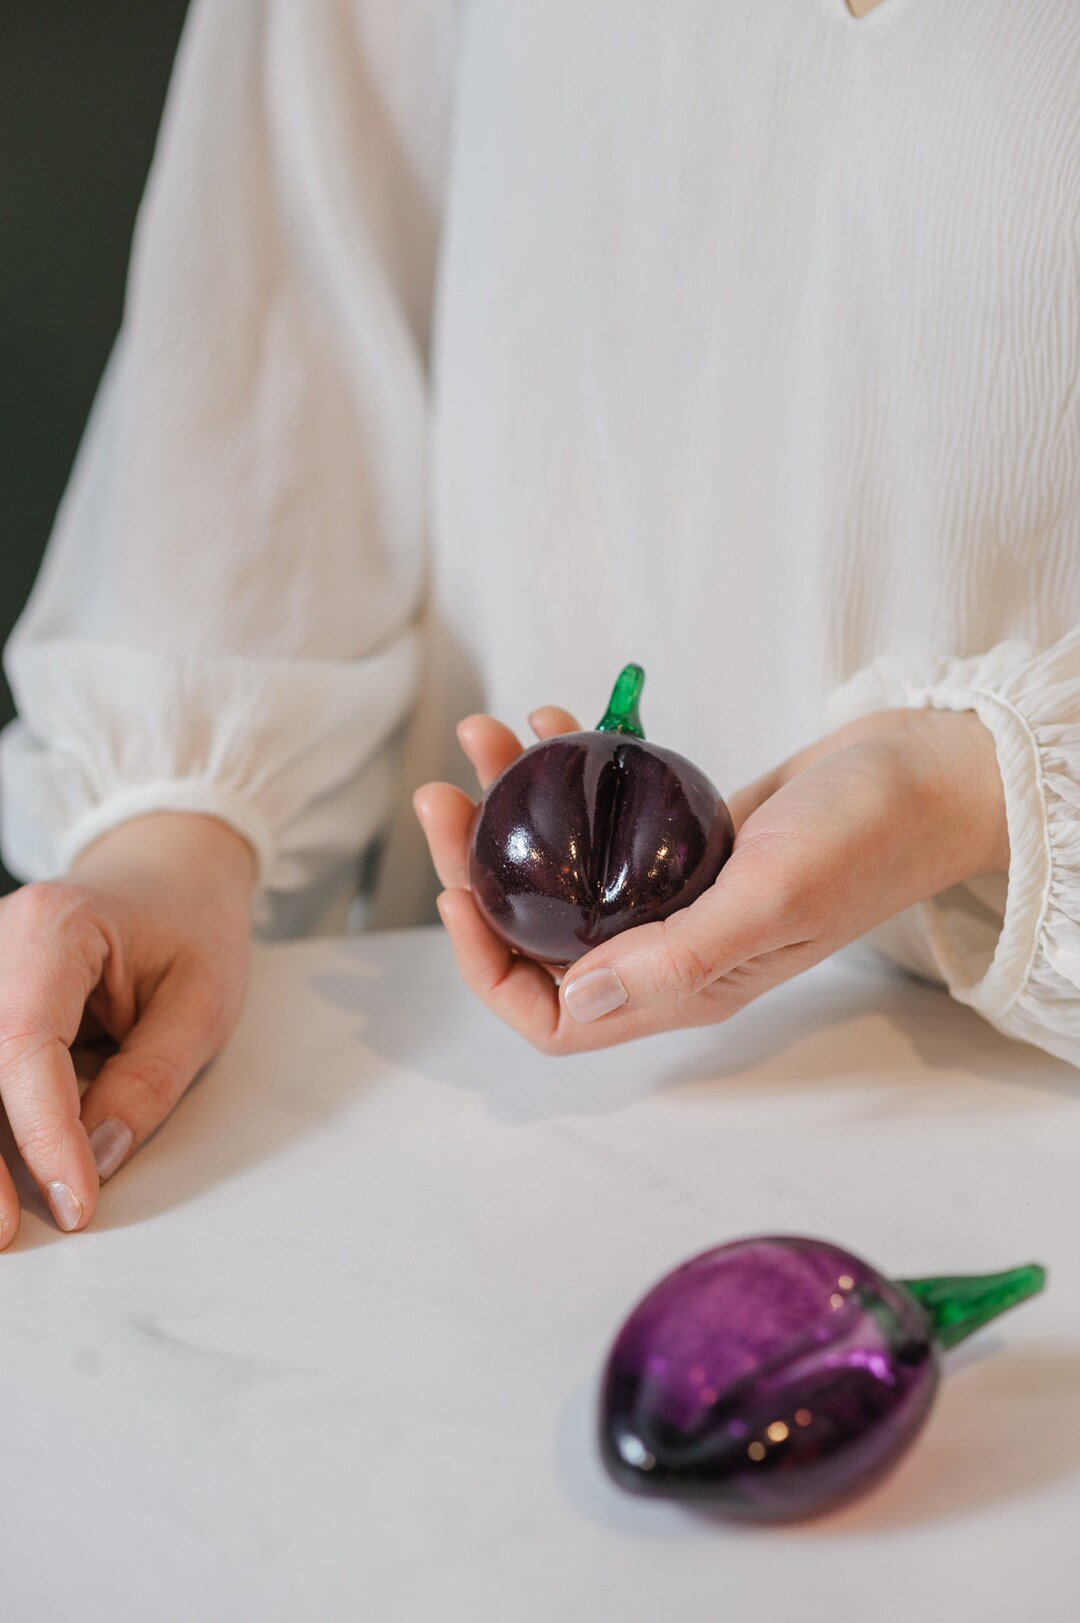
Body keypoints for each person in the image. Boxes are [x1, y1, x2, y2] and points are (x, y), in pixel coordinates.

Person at [2, 0, 1078, 1245]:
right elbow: (284, 306)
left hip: (1016, 1122)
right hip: (468, 1130)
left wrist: (972, 794)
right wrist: (174, 838)